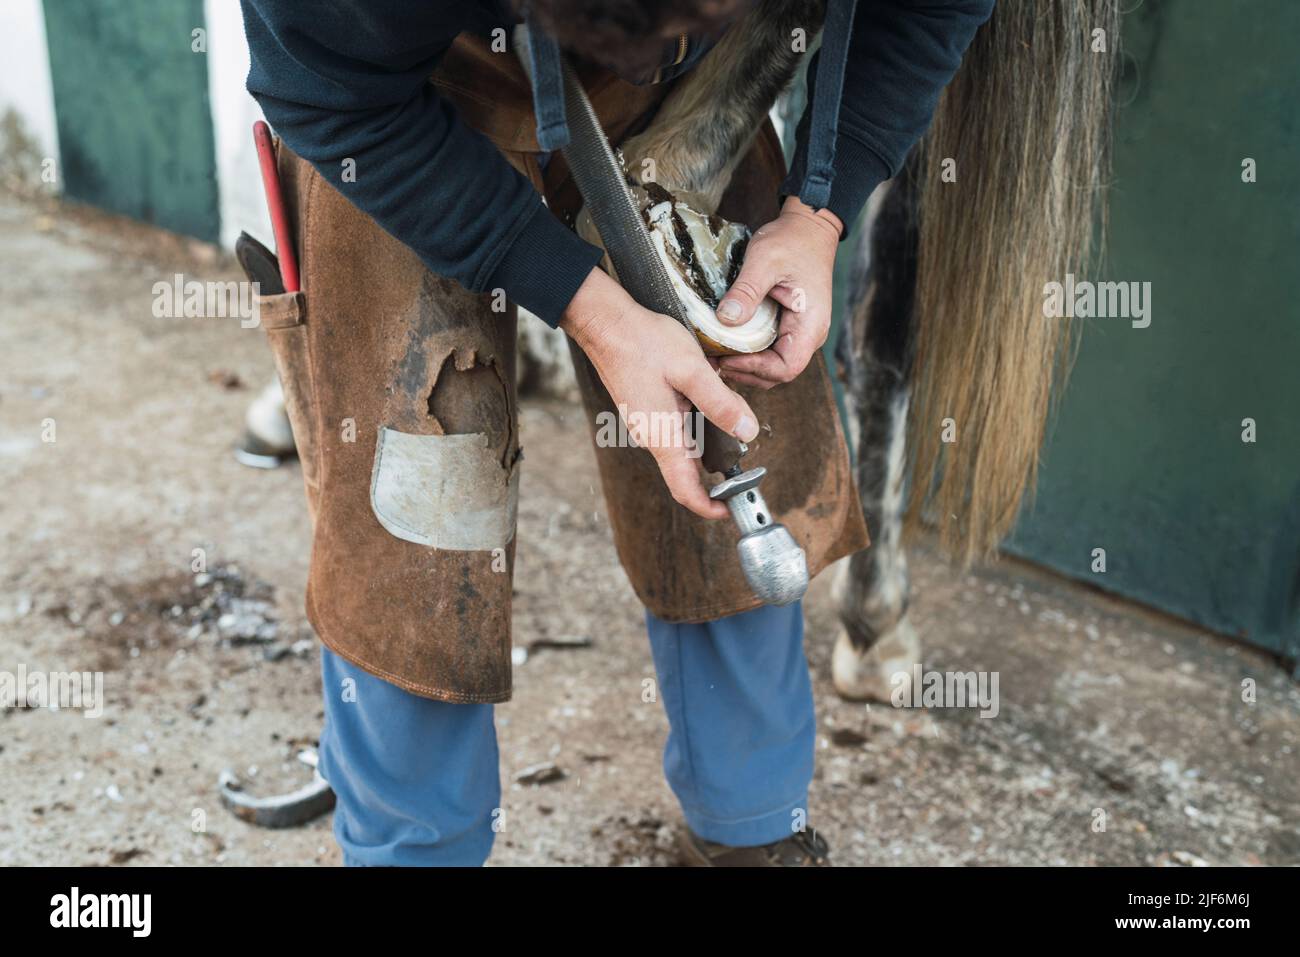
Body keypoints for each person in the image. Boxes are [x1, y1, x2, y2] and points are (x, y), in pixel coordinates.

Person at [240, 0, 992, 866]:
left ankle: (749, 828)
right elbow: (328, 92)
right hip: (406, 102)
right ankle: (415, 847)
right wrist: (592, 307)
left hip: (696, 84)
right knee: (419, 502)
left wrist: (818, 211)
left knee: (734, 436)